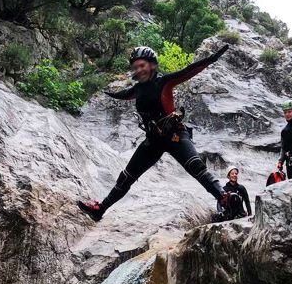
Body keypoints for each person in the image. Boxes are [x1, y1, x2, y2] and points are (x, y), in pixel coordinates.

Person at [78, 44, 230, 221]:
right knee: (126, 177)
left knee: (196, 166)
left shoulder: (164, 82)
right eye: (135, 67)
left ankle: (225, 199)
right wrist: (110, 93)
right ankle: (100, 210)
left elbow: (189, 70)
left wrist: (211, 59)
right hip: (153, 141)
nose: (138, 70)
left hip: (175, 136)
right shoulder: (137, 90)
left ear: (152, 65)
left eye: (142, 65)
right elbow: (125, 94)